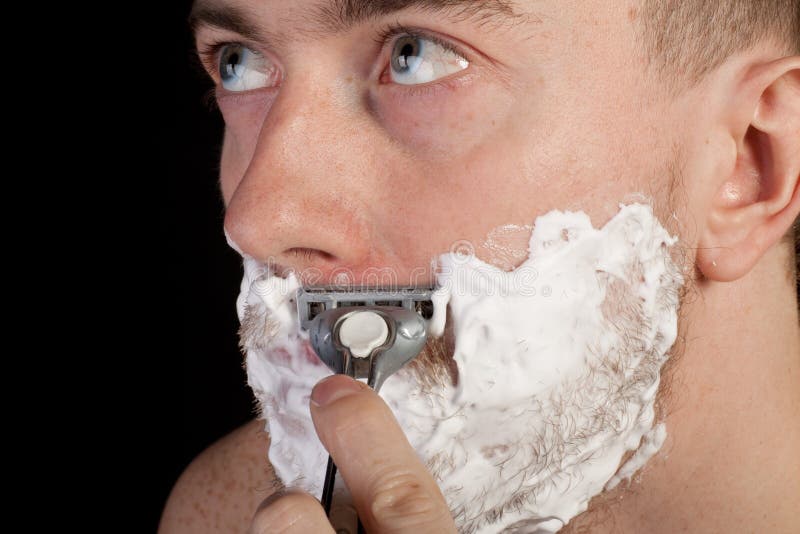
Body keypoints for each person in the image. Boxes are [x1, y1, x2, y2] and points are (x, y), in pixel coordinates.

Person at [160, 0, 800, 532]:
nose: (254, 221)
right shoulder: (217, 516)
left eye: (415, 56)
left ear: (748, 163)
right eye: (239, 65)